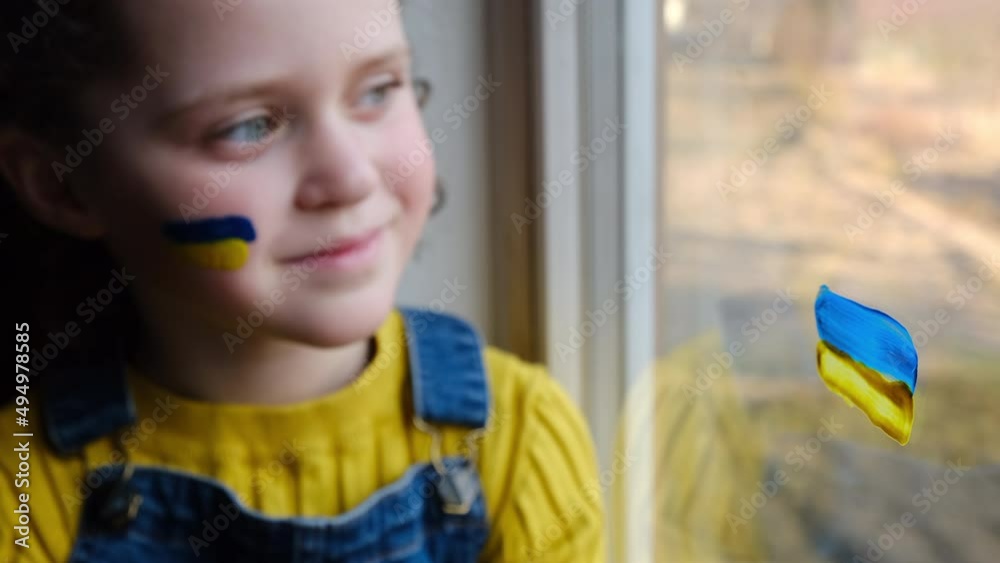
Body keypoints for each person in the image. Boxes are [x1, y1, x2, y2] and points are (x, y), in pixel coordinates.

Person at [0, 1, 604, 561]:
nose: (349, 179)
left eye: (377, 89)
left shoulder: (517, 441)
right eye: (245, 127)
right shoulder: (23, 487)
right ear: (63, 184)